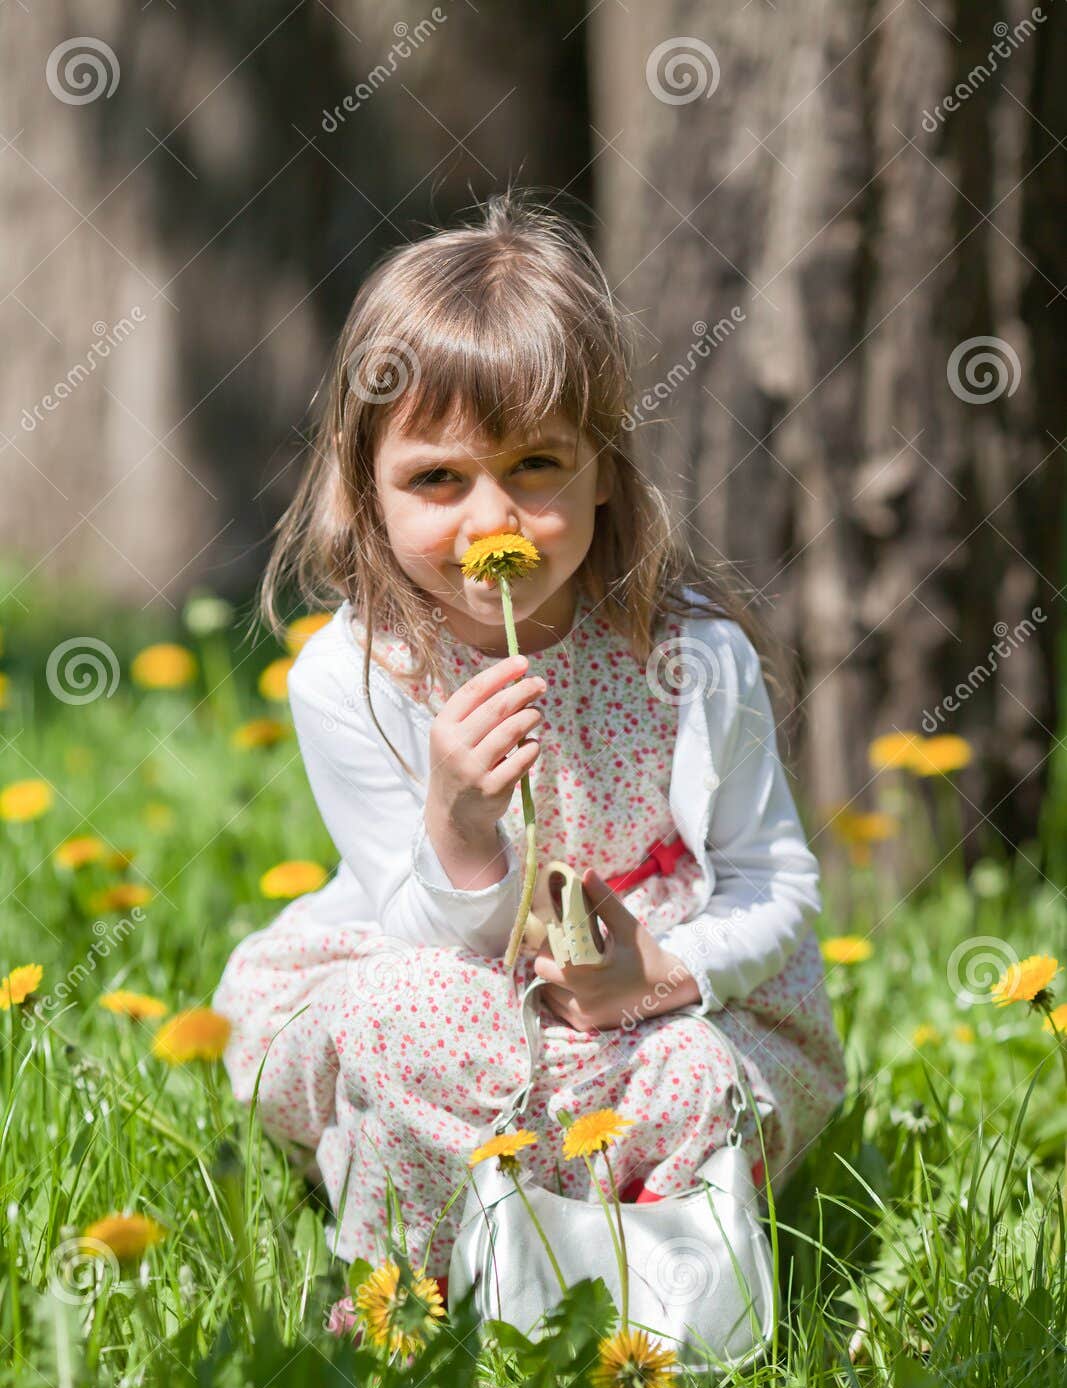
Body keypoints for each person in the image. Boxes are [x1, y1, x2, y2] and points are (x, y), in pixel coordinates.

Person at [211, 191, 847, 1319]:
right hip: (455, 990)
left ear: (606, 471)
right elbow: (406, 931)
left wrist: (662, 975)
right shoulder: (354, 675)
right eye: (437, 479)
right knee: (402, 1025)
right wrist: (457, 825)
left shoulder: (691, 655)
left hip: (643, 1010)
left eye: (538, 466)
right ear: (366, 491)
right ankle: (414, 1293)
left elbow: (776, 881)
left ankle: (627, 1286)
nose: (490, 522)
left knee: (700, 1078)